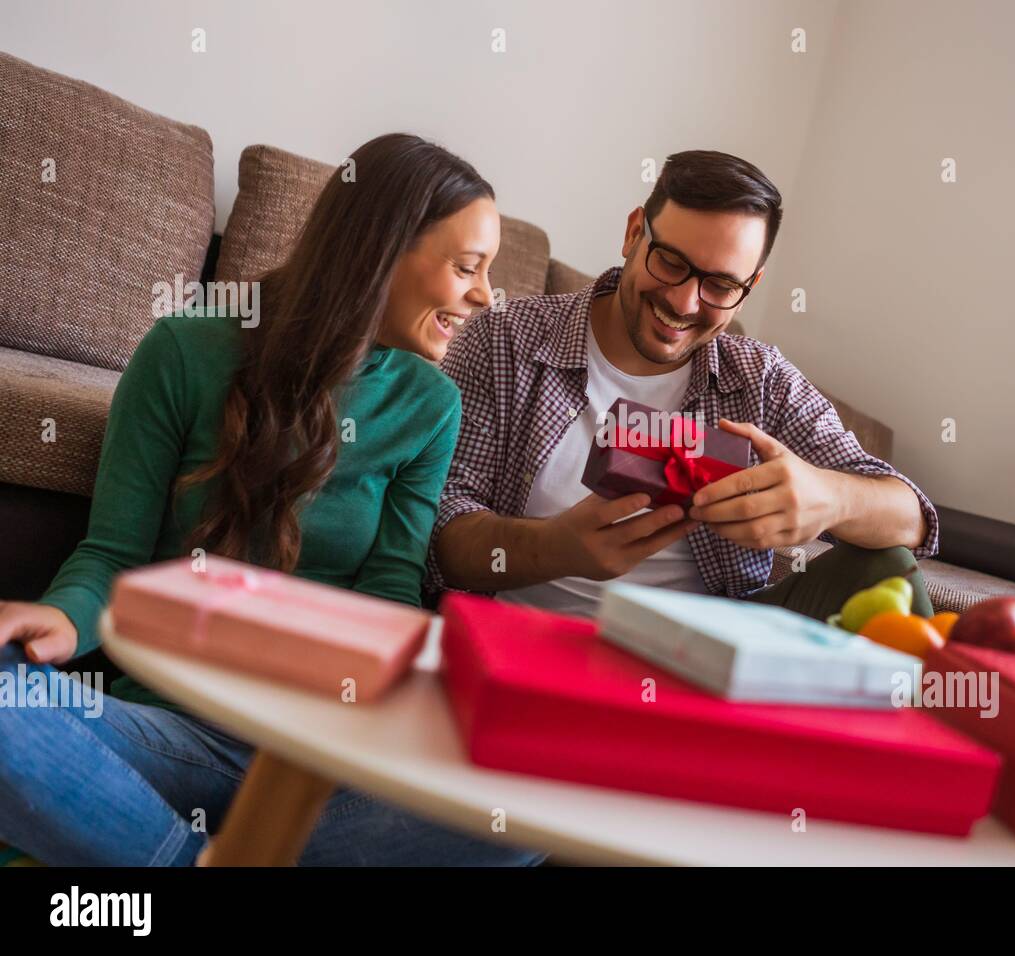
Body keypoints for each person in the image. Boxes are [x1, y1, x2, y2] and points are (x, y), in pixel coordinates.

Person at [0, 133, 543, 866]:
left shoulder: (430, 405)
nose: (484, 295)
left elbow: (389, 590)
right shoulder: (185, 350)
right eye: (468, 267)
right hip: (168, 734)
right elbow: (113, 553)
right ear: (384, 251)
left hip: (322, 763)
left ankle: (155, 848)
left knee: (527, 806)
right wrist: (64, 617)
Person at [427, 149, 938, 621]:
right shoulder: (506, 337)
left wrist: (830, 497)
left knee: (886, 567)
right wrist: (553, 549)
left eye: (720, 285)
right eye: (670, 262)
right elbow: (438, 531)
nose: (684, 302)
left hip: (707, 655)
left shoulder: (760, 379)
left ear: (749, 288)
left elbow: (914, 519)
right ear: (633, 233)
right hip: (526, 635)